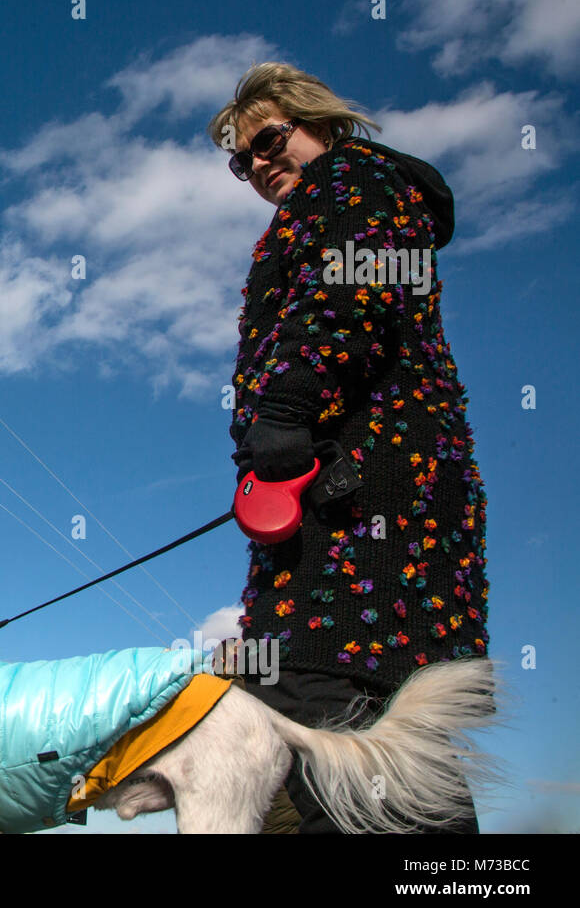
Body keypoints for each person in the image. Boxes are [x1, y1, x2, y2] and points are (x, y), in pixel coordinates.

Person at [208, 62, 489, 832]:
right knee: (351, 729)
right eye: (243, 160)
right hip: (333, 503)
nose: (259, 164)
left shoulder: (351, 178)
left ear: (320, 123)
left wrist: (287, 409)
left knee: (333, 714)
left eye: (269, 139)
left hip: (363, 519)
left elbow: (346, 293)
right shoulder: (324, 200)